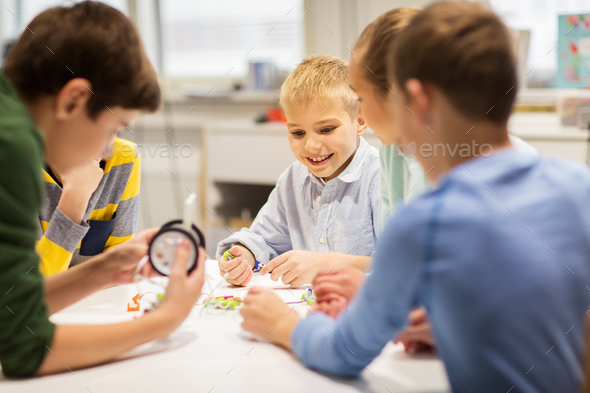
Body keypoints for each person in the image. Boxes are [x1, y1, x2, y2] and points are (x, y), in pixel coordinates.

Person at [239, 2, 590, 391]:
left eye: (360, 96)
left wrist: (282, 324)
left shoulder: (426, 221)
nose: (364, 114)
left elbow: (343, 353)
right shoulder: (578, 186)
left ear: (416, 99)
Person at [0, 2, 204, 377]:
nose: (110, 146)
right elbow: (23, 347)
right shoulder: (11, 146)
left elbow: (10, 307)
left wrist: (103, 270)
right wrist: (166, 320)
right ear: (74, 100)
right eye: (113, 128)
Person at [216, 54, 380, 288]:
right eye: (298, 133)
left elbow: (403, 265)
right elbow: (263, 238)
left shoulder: (380, 178)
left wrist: (325, 265)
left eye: (326, 129)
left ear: (361, 121)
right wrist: (244, 255)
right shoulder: (293, 180)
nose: (311, 146)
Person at [37, 137, 141, 276]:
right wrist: (75, 197)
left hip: (98, 295)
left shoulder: (125, 156)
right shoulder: (15, 166)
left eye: (117, 126)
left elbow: (120, 266)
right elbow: (30, 282)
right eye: (100, 122)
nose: (109, 139)